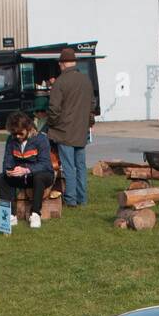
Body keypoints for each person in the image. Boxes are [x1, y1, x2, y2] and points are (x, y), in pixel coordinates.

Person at [46, 47, 94, 208]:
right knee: (81, 166)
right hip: (81, 130)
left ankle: (71, 199)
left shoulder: (60, 82)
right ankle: (83, 198)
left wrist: (51, 125)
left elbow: (53, 109)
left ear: (62, 64)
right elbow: (92, 105)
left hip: (64, 131)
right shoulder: (86, 80)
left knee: (68, 166)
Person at [0, 111, 53, 234]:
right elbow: (7, 160)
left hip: (43, 175)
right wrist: (9, 171)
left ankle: (35, 214)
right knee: (1, 178)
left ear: (28, 128)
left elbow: (44, 164)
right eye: (14, 133)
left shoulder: (41, 139)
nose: (17, 136)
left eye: (20, 133)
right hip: (21, 176)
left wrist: (26, 169)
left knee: (39, 177)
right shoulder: (11, 140)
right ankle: (9, 216)